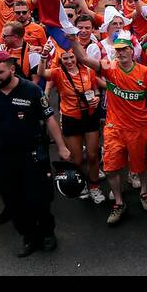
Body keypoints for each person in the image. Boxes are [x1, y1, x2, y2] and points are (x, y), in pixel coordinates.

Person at [0, 51, 69, 257]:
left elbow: (49, 118)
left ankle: (47, 233)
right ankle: (28, 236)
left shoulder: (31, 90)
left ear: (12, 69)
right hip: (4, 158)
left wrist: (62, 146)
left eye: (0, 72)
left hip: (33, 155)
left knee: (40, 199)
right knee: (14, 201)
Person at [75, 36, 147, 225]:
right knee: (110, 167)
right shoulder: (110, 69)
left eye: (124, 49)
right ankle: (119, 202)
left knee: (140, 166)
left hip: (139, 128)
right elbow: (83, 59)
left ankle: (144, 193)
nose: (121, 52)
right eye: (117, 50)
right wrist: (71, 38)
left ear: (132, 51)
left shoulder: (145, 72)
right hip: (114, 127)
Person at [45, 47, 104, 203]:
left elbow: (96, 90)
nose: (69, 61)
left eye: (72, 57)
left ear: (77, 57)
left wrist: (97, 98)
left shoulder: (88, 71)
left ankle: (94, 186)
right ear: (60, 60)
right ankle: (81, 183)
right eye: (65, 59)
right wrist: (44, 56)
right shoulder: (58, 73)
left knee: (92, 155)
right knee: (77, 159)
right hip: (71, 118)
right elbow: (41, 74)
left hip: (90, 116)